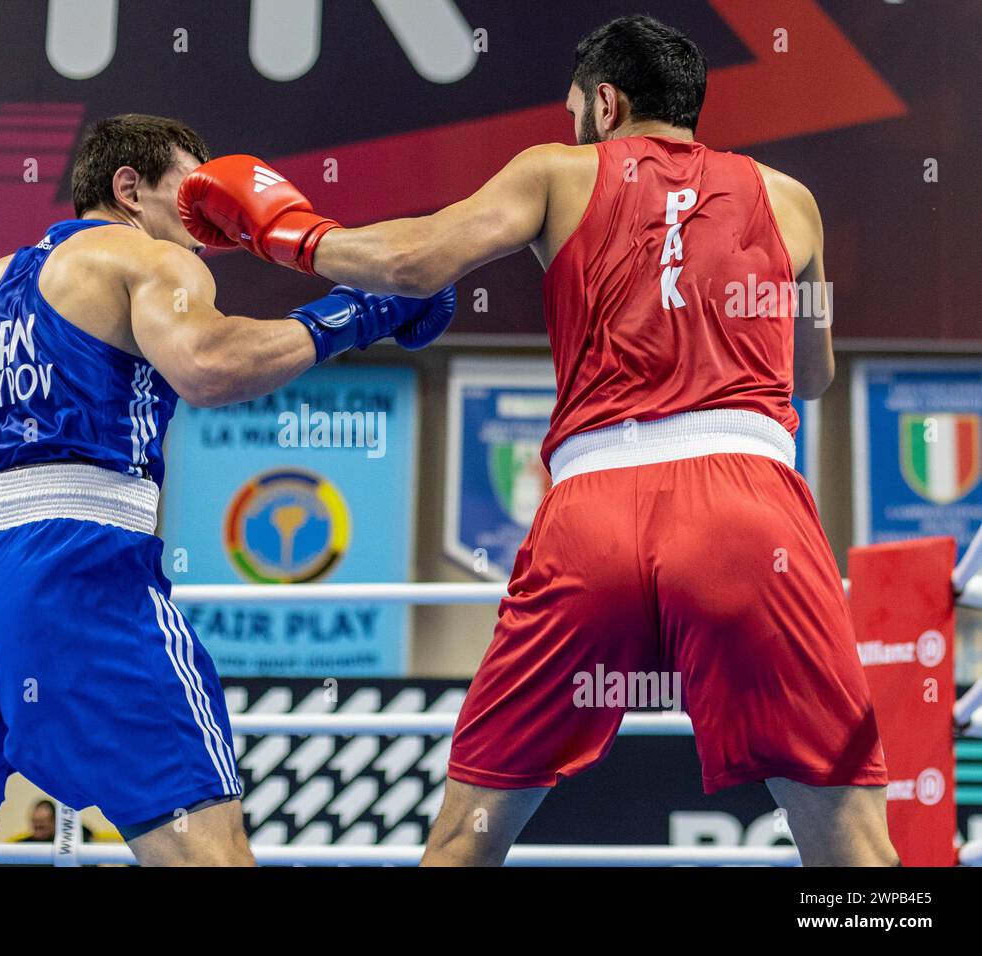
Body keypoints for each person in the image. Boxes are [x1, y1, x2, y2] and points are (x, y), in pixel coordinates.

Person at [177, 16, 899, 867]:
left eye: (573, 110)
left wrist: (284, 230)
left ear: (605, 101)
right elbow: (809, 375)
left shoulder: (559, 171)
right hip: (750, 510)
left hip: (594, 514)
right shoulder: (789, 199)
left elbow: (413, 262)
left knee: (462, 843)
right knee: (855, 849)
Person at [0, 114, 455, 866]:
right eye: (192, 196)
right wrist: (357, 313)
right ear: (128, 188)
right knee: (204, 853)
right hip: (74, 576)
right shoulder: (145, 259)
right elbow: (209, 365)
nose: (205, 223)